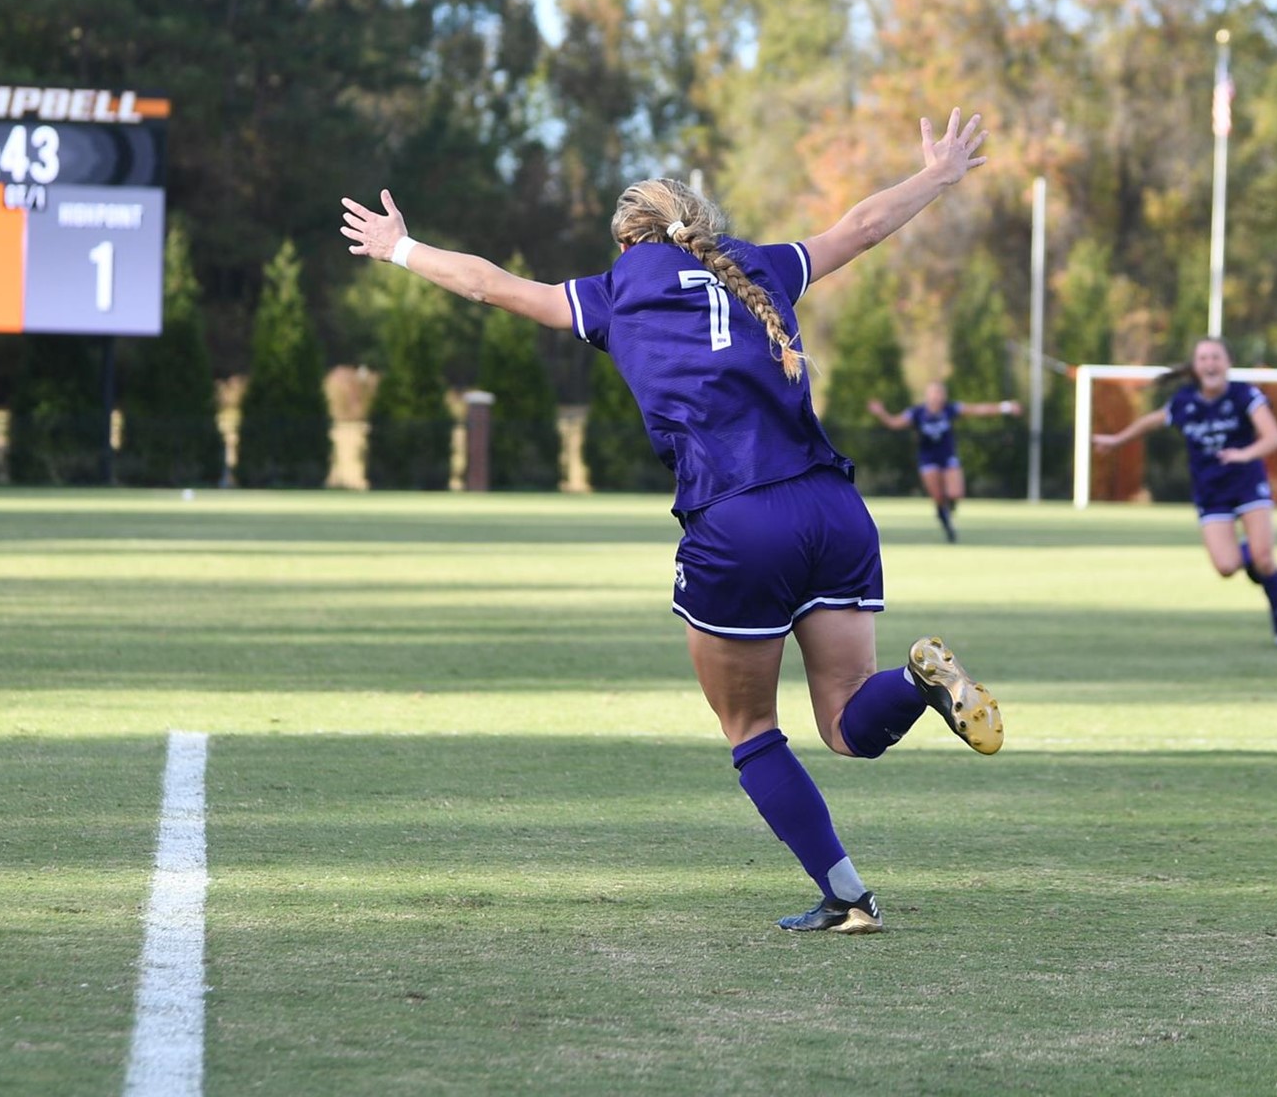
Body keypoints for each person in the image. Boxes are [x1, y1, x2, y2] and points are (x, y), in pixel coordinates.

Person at [339, 108, 1004, 935]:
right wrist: (938, 175)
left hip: (738, 522)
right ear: (704, 227)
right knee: (847, 723)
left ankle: (849, 898)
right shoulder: (761, 268)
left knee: (754, 731)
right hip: (833, 508)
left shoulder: (619, 290)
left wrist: (399, 247)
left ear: (628, 239)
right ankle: (916, 682)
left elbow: (489, 284)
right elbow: (862, 227)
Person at [1091, 338, 1277, 646]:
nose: (1210, 363)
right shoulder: (1184, 401)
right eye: (1203, 358)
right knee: (1226, 567)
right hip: (1211, 489)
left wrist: (1244, 454)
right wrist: (1117, 441)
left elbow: (1274, 437)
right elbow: (1150, 421)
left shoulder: (1245, 395)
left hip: (1246, 482)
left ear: (1228, 363)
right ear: (1196, 367)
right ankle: (1248, 550)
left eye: (1216, 357)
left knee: (1265, 559)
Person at [867, 383, 1019, 541]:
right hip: (928, 459)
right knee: (938, 496)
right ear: (927, 396)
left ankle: (947, 509)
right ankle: (945, 521)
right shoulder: (917, 413)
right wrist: (881, 413)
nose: (937, 397)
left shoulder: (950, 409)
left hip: (947, 457)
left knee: (956, 493)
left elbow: (977, 410)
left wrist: (1006, 407)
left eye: (940, 394)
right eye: (934, 393)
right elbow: (895, 423)